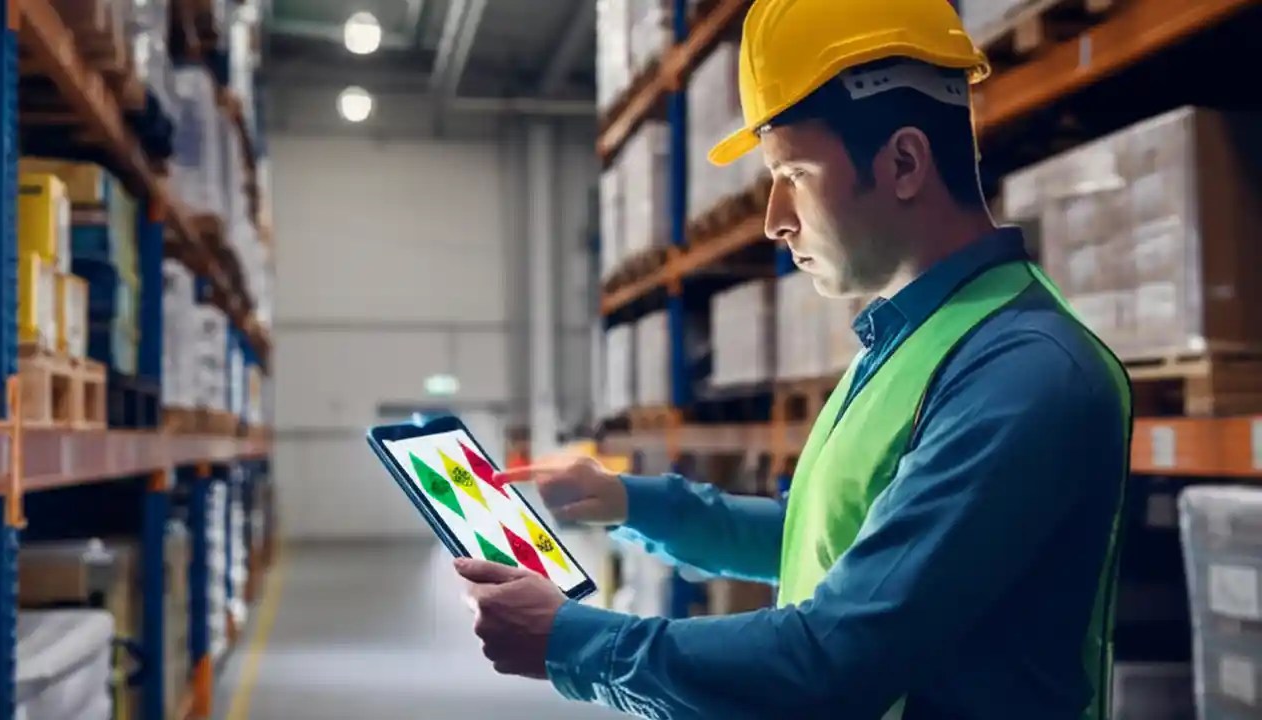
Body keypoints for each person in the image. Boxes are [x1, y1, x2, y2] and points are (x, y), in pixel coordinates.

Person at [454, 0, 1132, 717]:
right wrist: (627, 502)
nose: (775, 219)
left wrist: (572, 642)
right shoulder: (916, 340)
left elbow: (835, 658)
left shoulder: (1025, 375)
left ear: (905, 162)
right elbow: (826, 536)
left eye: (797, 174)